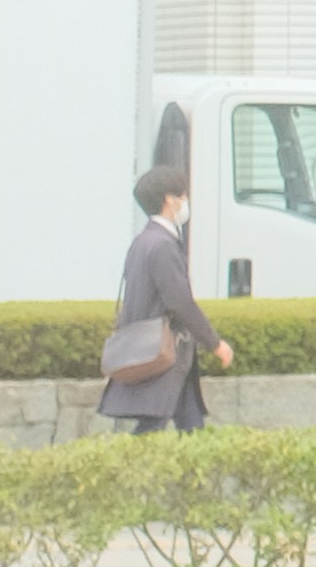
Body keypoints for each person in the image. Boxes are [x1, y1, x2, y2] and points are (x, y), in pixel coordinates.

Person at [99, 158, 233, 430]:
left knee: (189, 423)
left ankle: (193, 470)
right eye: (183, 195)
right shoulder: (162, 245)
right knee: (152, 424)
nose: (186, 201)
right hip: (163, 349)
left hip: (162, 348)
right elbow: (180, 302)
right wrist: (215, 343)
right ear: (170, 200)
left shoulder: (144, 241)